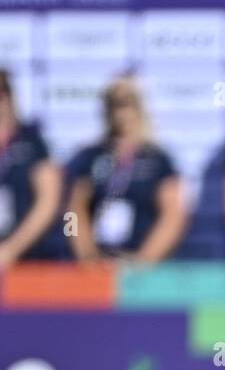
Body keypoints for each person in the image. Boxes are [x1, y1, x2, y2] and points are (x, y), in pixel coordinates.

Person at [66, 75, 186, 263]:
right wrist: (86, 257)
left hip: (141, 265)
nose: (120, 111)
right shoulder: (90, 157)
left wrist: (144, 261)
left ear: (139, 107)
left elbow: (173, 217)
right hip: (98, 264)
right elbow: (72, 213)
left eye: (126, 103)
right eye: (114, 104)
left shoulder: (158, 159)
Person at [0, 70, 60, 268]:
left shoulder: (31, 141)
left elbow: (48, 202)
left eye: (2, 93)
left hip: (27, 259)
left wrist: (11, 249)